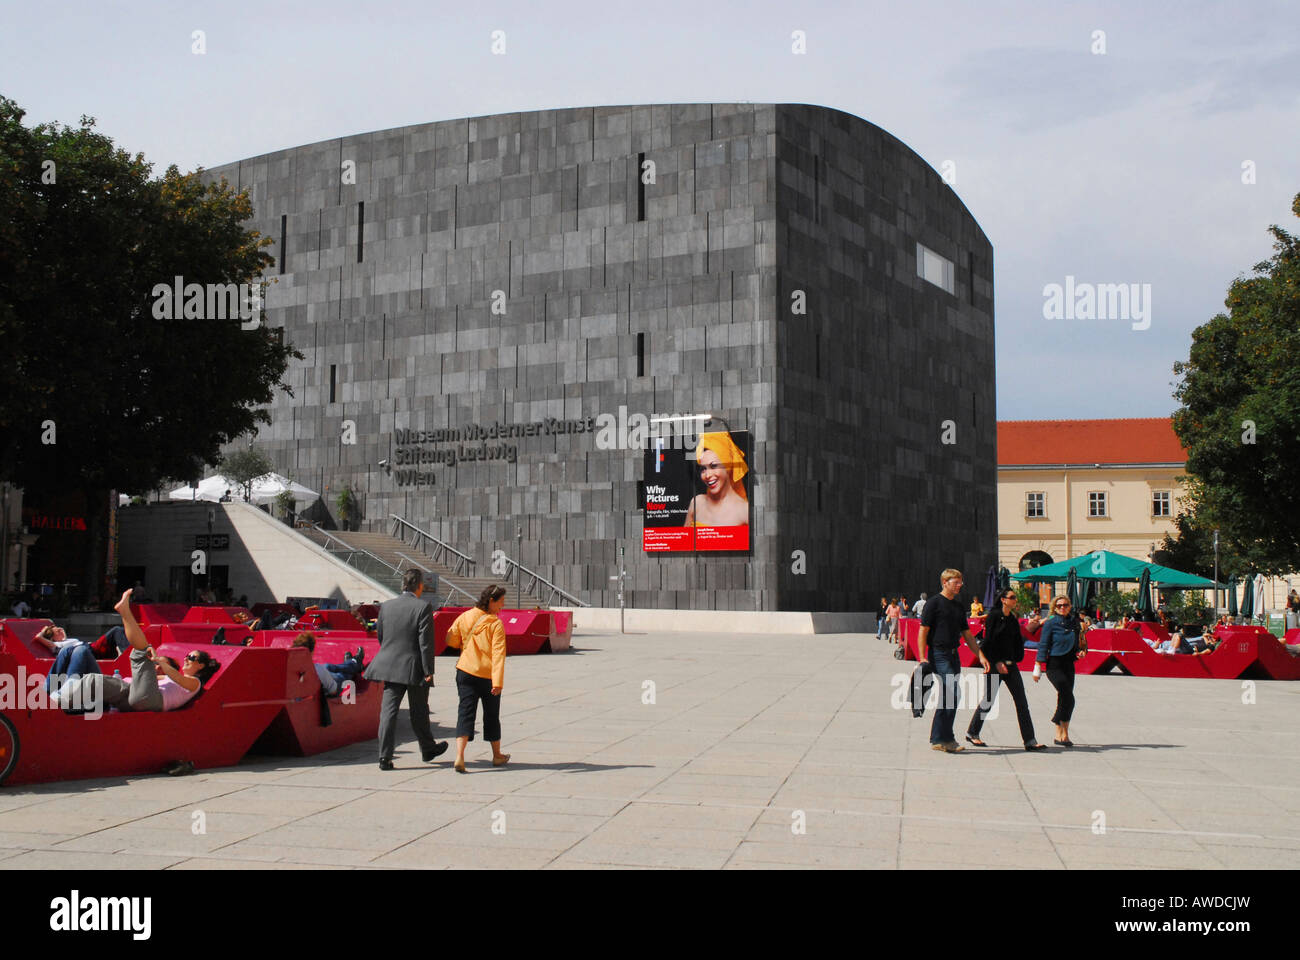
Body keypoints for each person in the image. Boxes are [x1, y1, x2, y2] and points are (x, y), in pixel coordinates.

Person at [53, 590, 219, 713]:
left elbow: (178, 678)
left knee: (141, 652)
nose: (186, 659)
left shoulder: (195, 683)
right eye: (187, 656)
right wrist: (119, 679)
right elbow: (149, 677)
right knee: (93, 681)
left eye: (192, 657)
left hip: (153, 701)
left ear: (201, 665)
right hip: (135, 698)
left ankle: (125, 612)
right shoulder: (170, 677)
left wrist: (160, 662)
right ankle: (53, 703)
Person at [363, 569, 448, 770]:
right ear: (419, 586)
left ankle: (384, 756)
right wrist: (429, 670)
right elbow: (425, 643)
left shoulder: (387, 606)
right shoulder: (422, 607)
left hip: (390, 664)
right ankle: (427, 749)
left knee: (388, 712)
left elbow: (381, 636)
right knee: (419, 710)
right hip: (413, 666)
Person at [966, 589, 1046, 750]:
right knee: (988, 700)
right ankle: (972, 732)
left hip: (1011, 665)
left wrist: (1016, 657)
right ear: (1003, 600)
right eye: (1012, 597)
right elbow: (989, 642)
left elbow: (1017, 640)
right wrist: (996, 662)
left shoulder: (1012, 619)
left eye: (1015, 597)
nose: (1015, 600)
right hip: (995, 664)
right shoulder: (994, 616)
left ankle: (1029, 740)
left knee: (1022, 702)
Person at [444, 584, 510, 773]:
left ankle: (459, 756)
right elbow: (498, 654)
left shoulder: (465, 616)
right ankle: (497, 755)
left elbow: (450, 639)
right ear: (491, 601)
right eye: (501, 603)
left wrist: (465, 645)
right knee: (491, 715)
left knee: (465, 712)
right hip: (487, 676)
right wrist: (498, 682)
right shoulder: (495, 624)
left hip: (464, 671)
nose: (501, 607)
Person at [918, 569, 977, 753]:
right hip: (939, 654)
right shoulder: (933, 603)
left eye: (961, 582)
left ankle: (938, 738)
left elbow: (967, 634)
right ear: (945, 582)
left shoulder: (958, 607)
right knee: (953, 693)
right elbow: (923, 630)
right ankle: (947, 738)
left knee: (948, 696)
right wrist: (922, 657)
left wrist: (980, 655)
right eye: (956, 582)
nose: (960, 585)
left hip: (954, 654)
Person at [1032, 594, 1090, 747]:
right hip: (1054, 665)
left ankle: (1063, 734)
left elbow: (1080, 642)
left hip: (1069, 663)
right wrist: (1037, 667)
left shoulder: (1074, 622)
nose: (1062, 608)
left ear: (1070, 606)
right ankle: (1057, 725)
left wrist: (1082, 651)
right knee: (1068, 696)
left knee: (1064, 698)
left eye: (1065, 605)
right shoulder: (1051, 623)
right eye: (1059, 606)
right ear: (1054, 608)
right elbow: (1043, 644)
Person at [684, 431, 749, 528]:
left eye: (713, 466)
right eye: (703, 469)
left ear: (728, 466)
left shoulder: (744, 510)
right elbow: (683, 542)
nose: (707, 475)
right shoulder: (696, 503)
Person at [291, 631, 366, 695]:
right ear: (311, 651)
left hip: (319, 680)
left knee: (327, 666)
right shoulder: (317, 670)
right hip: (332, 687)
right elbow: (333, 690)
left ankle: (350, 663)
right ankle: (355, 663)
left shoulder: (290, 669)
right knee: (342, 675)